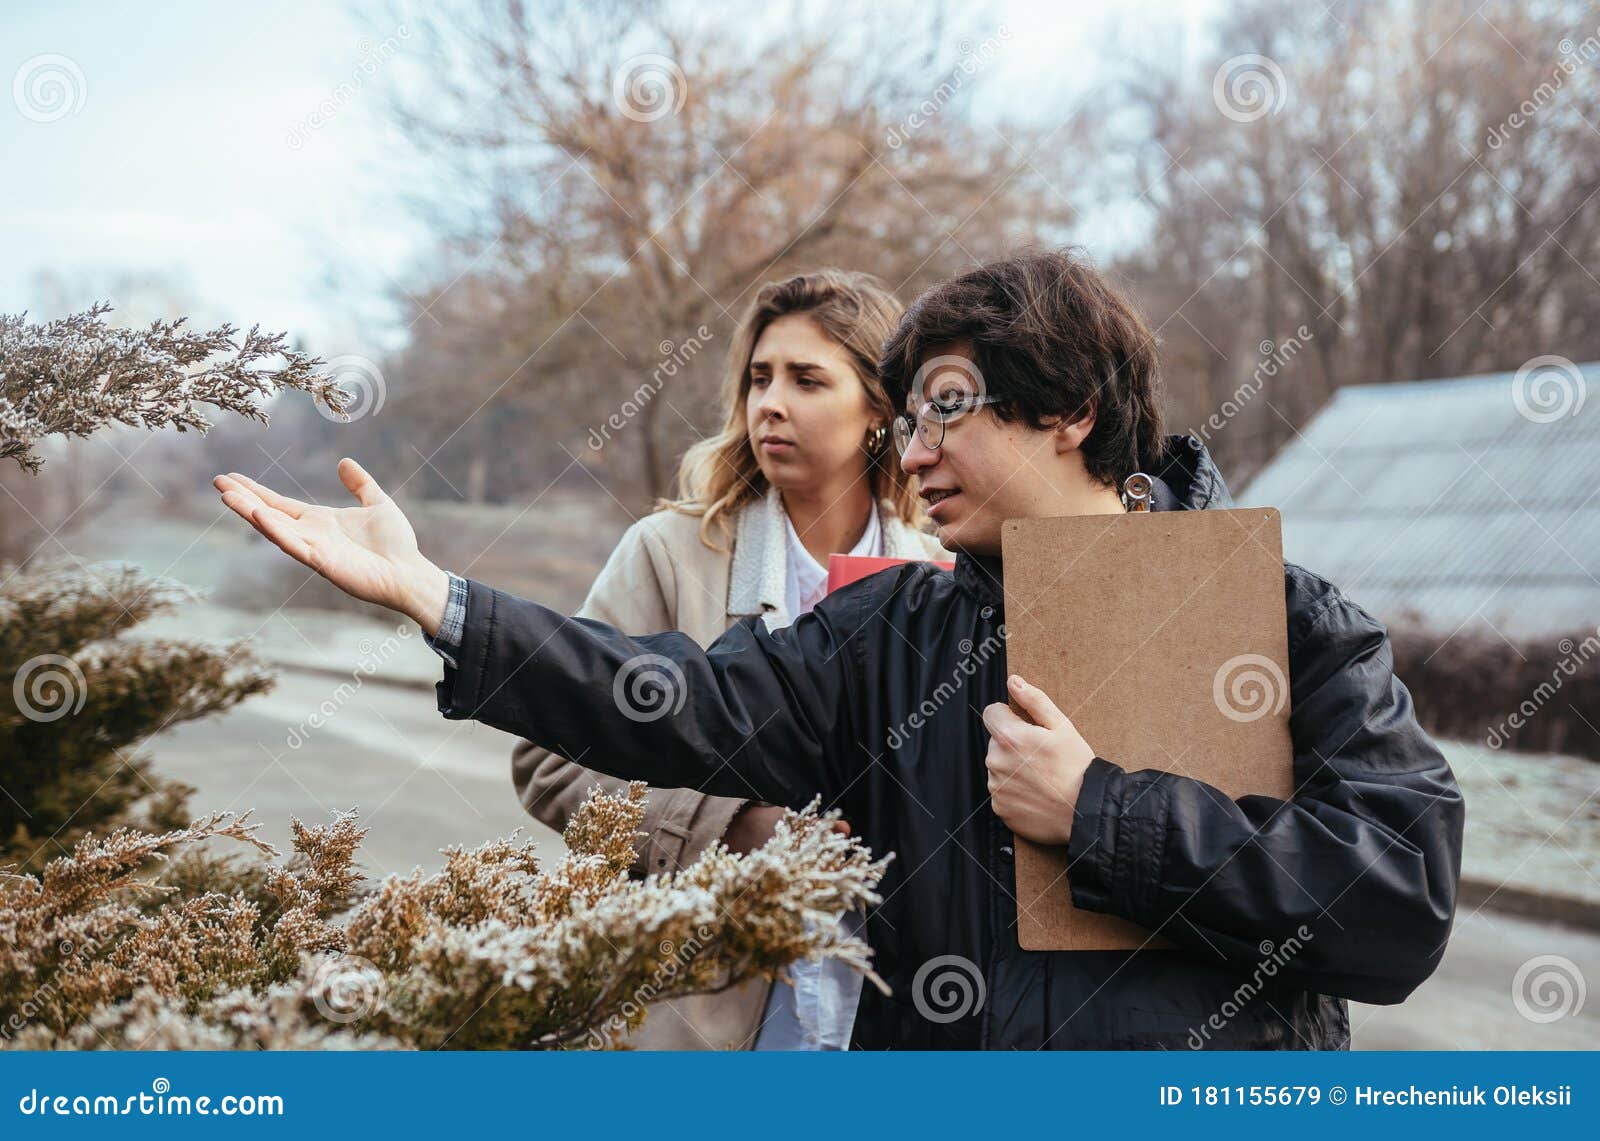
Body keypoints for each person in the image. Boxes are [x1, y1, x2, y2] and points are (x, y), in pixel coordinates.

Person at [214, 248, 1464, 1049]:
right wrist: (437, 596)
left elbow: (1395, 907)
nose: (911, 452)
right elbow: (669, 702)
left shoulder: (1284, 618)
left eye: (948, 412)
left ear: (1072, 411)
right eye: (906, 418)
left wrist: (1102, 810)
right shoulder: (895, 631)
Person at [509, 269, 949, 1049]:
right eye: (759, 377)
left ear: (880, 408)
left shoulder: (940, 575)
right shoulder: (671, 554)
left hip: (888, 1012)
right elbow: (551, 757)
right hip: (699, 1017)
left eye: (807, 379)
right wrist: (736, 825)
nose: (770, 402)